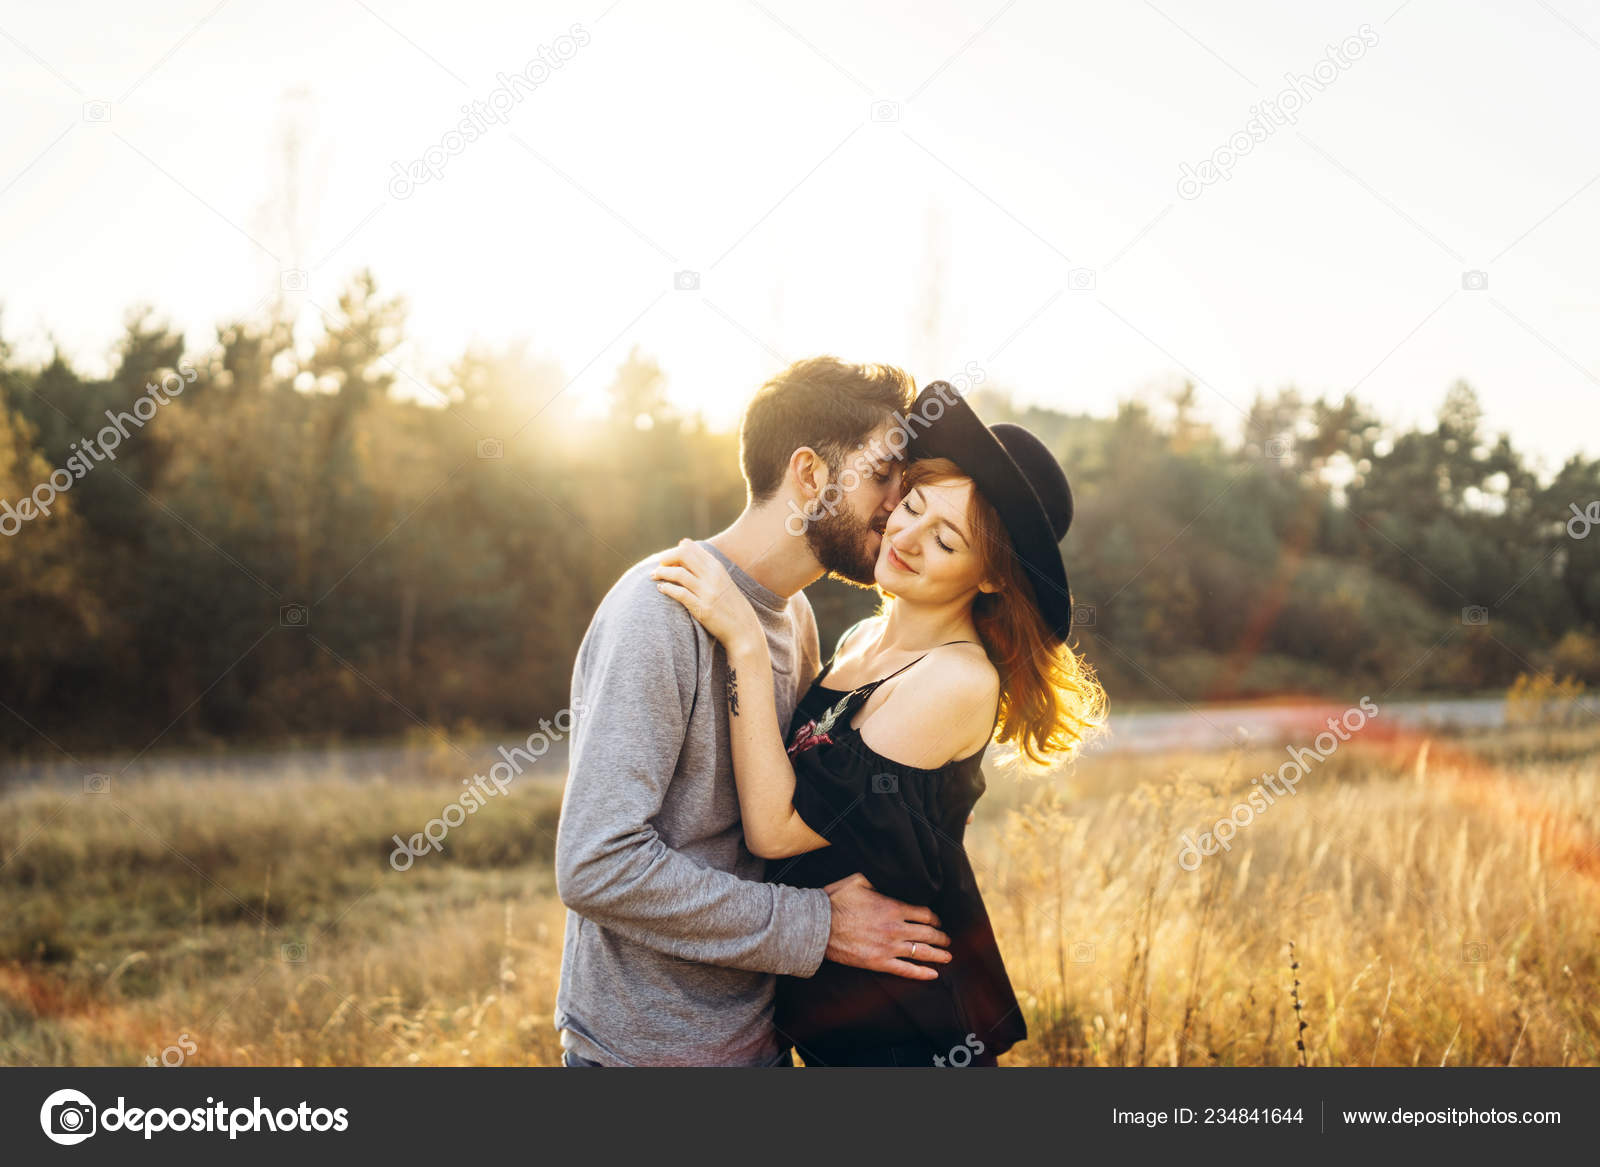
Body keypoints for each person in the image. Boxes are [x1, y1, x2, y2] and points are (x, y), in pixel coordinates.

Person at [653, 381, 1108, 1066]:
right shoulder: (864, 637)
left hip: (903, 1036)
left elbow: (776, 826)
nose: (908, 538)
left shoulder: (957, 680)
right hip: (819, 1025)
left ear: (989, 578)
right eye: (913, 506)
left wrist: (744, 641)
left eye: (946, 539)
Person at [553, 357, 957, 1068]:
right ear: (809, 475)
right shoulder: (658, 611)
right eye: (885, 473)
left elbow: (784, 811)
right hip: (642, 1059)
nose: (900, 504)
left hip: (759, 1044)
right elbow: (595, 863)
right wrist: (818, 925)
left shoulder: (793, 617)